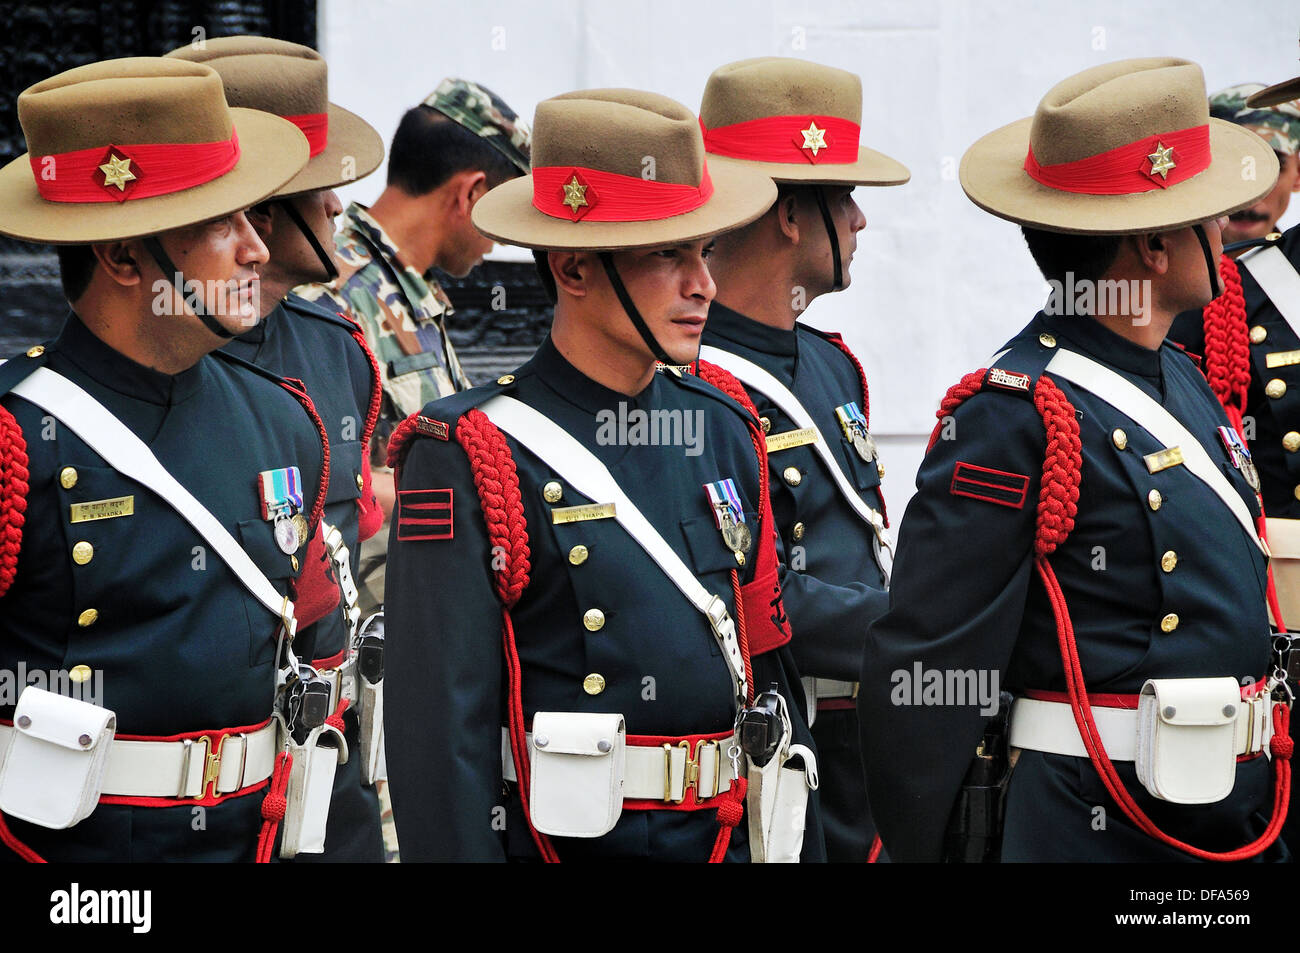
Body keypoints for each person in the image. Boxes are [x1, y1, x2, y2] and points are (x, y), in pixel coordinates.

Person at [861, 57, 1292, 862]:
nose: (1230, 234)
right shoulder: (1017, 413)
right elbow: (923, 667)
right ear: (1156, 248)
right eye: (1208, 215)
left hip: (1223, 813)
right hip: (1094, 822)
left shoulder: (1181, 376)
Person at [384, 88, 825, 861]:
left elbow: (769, 675)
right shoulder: (472, 450)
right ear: (575, 268)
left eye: (704, 250)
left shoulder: (724, 425)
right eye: (668, 254)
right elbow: (440, 741)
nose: (704, 285)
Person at [0, 56, 329, 862]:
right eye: (223, 223)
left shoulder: (284, 418)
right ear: (123, 257)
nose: (258, 250)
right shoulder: (16, 436)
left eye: (253, 217)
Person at [164, 35, 388, 863]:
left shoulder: (340, 349)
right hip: (195, 791)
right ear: (260, 203)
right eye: (321, 184)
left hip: (327, 766)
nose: (340, 205)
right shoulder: (171, 353)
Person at [695, 56, 908, 861]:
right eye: (846, 197)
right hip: (774, 749)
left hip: (861, 746)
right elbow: (746, 591)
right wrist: (927, 622)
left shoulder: (831, 364)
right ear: (789, 214)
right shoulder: (692, 383)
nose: (860, 221)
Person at [298, 78, 531, 617]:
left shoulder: (406, 291)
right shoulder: (334, 295)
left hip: (415, 608)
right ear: (469, 193)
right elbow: (314, 481)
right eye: (494, 216)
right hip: (365, 631)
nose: (494, 241)